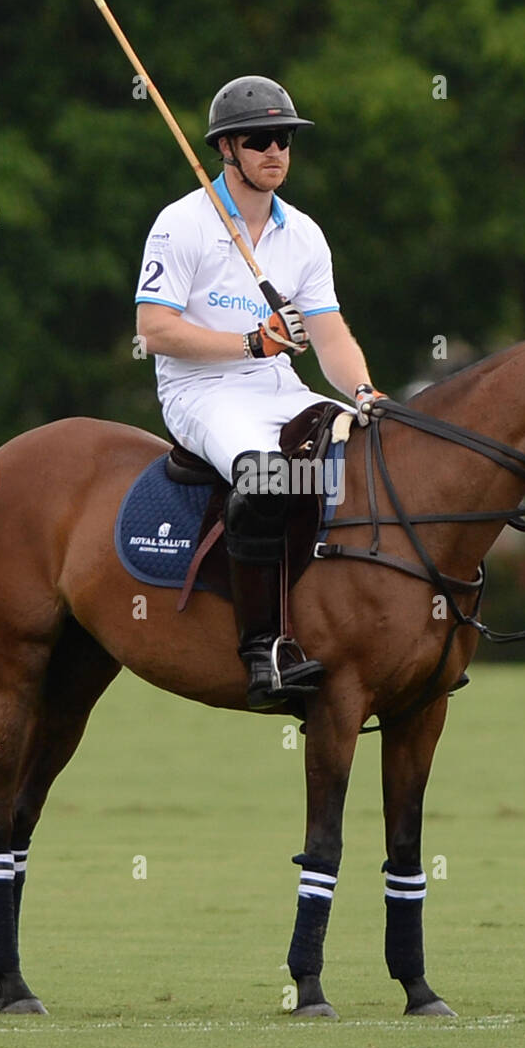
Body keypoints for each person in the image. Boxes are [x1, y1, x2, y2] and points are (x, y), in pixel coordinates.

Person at [135, 75, 383, 710]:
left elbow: (329, 336)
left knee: (362, 463)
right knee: (270, 478)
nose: (277, 152)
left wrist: (363, 393)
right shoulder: (182, 222)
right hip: (202, 390)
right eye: (261, 140)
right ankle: (262, 651)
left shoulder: (303, 234)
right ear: (227, 149)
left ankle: (380, 632)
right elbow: (155, 331)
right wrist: (251, 342)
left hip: (276, 385)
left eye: (286, 140)